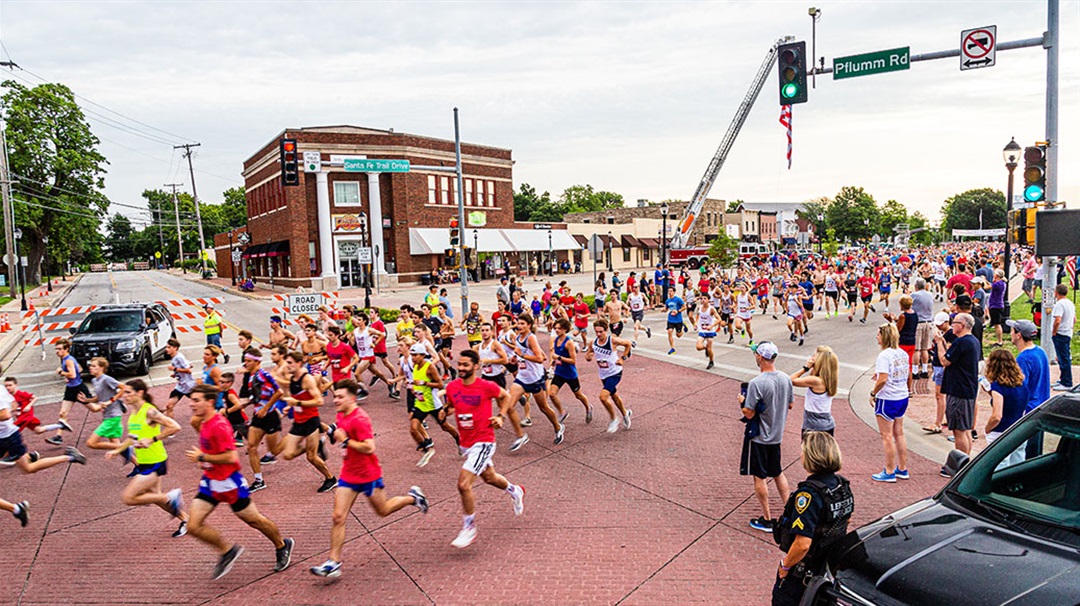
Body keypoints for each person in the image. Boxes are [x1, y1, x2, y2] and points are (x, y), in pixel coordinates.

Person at [310, 380, 429, 578]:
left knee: (384, 510)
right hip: (348, 473)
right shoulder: (341, 414)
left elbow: (369, 447)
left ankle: (413, 498)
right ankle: (333, 563)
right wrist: (330, 435)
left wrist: (345, 440)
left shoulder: (361, 419)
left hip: (368, 474)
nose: (335, 400)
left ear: (352, 398)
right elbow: (339, 432)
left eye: (340, 397)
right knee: (338, 516)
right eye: (335, 396)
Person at [184, 384, 293, 580]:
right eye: (191, 400)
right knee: (193, 526)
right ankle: (227, 551)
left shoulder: (219, 425)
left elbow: (231, 458)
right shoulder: (200, 421)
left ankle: (282, 545)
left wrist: (203, 457)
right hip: (210, 482)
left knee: (254, 520)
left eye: (196, 400)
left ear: (209, 402)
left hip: (230, 483)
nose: (191, 404)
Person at [442, 349, 525, 549]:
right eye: (459, 364)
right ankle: (515, 491)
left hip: (484, 440)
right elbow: (452, 406)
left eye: (465, 365)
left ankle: (469, 527)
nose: (461, 368)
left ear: (476, 366)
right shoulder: (452, 387)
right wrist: (444, 412)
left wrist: (500, 416)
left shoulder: (487, 386)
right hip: (467, 442)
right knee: (489, 477)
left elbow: (505, 397)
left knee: (463, 484)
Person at [772, 431, 854, 606]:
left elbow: (802, 544)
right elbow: (846, 521)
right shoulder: (842, 486)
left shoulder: (808, 495)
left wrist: (785, 566)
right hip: (826, 570)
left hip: (803, 574)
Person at [104, 379, 188, 537]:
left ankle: (170, 496)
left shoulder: (149, 411)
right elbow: (132, 437)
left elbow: (175, 426)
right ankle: (185, 518)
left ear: (140, 393)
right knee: (155, 498)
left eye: (128, 392)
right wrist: (118, 450)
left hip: (155, 461)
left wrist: (153, 439)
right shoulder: (134, 414)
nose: (124, 395)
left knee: (128, 497)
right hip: (144, 461)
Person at [739, 341, 792, 532]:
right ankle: (790, 511)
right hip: (777, 434)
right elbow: (790, 405)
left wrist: (742, 402)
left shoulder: (757, 383)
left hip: (760, 436)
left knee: (759, 476)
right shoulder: (786, 379)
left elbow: (749, 413)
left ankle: (767, 518)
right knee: (777, 472)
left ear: (760, 357)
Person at [276, 352, 337, 493]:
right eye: (287, 363)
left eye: (290, 363)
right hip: (298, 422)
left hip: (311, 420)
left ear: (299, 363)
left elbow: (319, 401)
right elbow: (294, 394)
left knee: (311, 457)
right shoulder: (292, 378)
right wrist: (290, 406)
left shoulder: (307, 379)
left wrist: (296, 402)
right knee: (288, 454)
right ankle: (318, 444)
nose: (287, 366)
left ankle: (331, 478)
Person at [0, 383, 86, 472]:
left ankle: (71, 457)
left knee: (29, 468)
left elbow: (5, 415)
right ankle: (30, 456)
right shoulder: (2, 388)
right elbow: (14, 404)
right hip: (6, 434)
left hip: (7, 437)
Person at [508, 313, 564, 445]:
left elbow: (540, 359)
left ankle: (558, 427)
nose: (520, 326)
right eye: (518, 323)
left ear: (529, 325)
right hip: (522, 377)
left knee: (543, 408)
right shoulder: (517, 337)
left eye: (523, 324)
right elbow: (538, 355)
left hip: (535, 378)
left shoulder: (531, 338)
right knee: (509, 405)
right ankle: (520, 436)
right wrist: (516, 358)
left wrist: (522, 355)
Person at [936, 312, 980, 469]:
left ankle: (959, 466)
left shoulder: (961, 342)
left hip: (958, 390)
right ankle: (965, 462)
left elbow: (944, 361)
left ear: (961, 325)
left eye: (954, 322)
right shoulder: (973, 341)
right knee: (966, 429)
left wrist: (939, 343)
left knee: (958, 430)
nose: (952, 325)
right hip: (968, 389)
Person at [869, 323, 911, 482]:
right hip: (901, 396)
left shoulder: (884, 356)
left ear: (884, 336)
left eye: (879, 334)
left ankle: (889, 470)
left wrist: (873, 392)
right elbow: (905, 374)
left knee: (886, 435)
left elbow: (883, 379)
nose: (877, 337)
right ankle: (902, 467)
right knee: (899, 433)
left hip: (888, 398)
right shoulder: (902, 353)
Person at [1006, 319, 1051, 458]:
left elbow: (1020, 388)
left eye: (1013, 330)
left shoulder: (1023, 359)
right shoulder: (1040, 351)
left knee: (1024, 454)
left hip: (1028, 411)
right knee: (1035, 452)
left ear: (1019, 335)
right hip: (1042, 406)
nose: (1010, 333)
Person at [243, 348, 284, 493]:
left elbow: (279, 392)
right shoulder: (251, 376)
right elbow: (258, 395)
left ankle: (296, 440)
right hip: (257, 416)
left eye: (248, 361)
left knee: (273, 451)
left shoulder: (264, 374)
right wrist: (247, 403)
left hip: (270, 416)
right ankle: (258, 480)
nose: (245, 363)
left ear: (257, 361)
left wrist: (265, 408)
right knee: (251, 447)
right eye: (245, 360)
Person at [983, 349, 1029, 469]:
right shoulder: (1022, 383)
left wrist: (987, 428)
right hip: (1018, 427)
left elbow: (997, 416)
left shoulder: (997, 386)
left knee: (999, 465)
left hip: (1001, 431)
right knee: (1017, 463)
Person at [586, 319, 632, 433]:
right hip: (604, 375)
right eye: (596, 332)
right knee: (614, 396)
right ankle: (626, 414)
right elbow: (590, 351)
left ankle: (613, 419)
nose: (598, 334)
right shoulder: (593, 342)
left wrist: (623, 358)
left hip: (615, 372)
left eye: (601, 332)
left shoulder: (612, 340)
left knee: (603, 397)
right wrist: (588, 356)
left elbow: (628, 344)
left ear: (606, 330)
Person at [1, 377, 70, 454]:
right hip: (21, 417)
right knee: (38, 430)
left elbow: (34, 398)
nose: (8, 388)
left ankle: (11, 454)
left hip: (25, 417)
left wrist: (29, 405)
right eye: (6, 386)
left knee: (11, 432)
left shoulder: (21, 394)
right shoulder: (8, 396)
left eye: (10, 385)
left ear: (16, 385)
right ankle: (60, 425)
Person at [548, 318, 592, 424]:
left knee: (578, 395)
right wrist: (554, 362)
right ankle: (562, 412)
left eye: (559, 328)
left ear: (565, 329)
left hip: (570, 374)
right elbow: (557, 356)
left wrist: (559, 358)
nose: (557, 330)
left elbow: (573, 360)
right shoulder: (555, 340)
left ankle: (588, 408)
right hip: (559, 373)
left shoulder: (569, 343)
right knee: (552, 394)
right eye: (556, 328)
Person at [77, 358, 125, 454]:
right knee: (115, 444)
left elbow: (123, 387)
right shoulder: (95, 380)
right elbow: (99, 397)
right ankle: (137, 463)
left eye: (94, 366)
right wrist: (87, 400)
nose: (90, 368)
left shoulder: (106, 379)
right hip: (107, 416)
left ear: (102, 368)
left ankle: (128, 446)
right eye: (90, 366)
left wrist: (110, 401)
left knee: (91, 443)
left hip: (113, 415)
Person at [46, 339, 88, 446]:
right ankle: (58, 437)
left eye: (60, 349)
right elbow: (79, 369)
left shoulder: (68, 360)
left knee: (94, 408)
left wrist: (62, 372)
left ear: (66, 349)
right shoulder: (67, 359)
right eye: (56, 349)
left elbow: (73, 374)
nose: (57, 351)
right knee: (62, 413)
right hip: (70, 388)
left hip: (78, 388)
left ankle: (113, 404)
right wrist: (69, 377)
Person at [789, 347, 837, 435]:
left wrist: (806, 368)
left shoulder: (815, 381)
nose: (810, 359)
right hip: (827, 424)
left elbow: (790, 380)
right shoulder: (830, 379)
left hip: (813, 426)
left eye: (813, 356)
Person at [1051, 283, 1075, 391]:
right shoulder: (1070, 303)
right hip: (1067, 332)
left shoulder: (1059, 304)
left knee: (1063, 359)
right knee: (1063, 357)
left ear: (1057, 293)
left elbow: (1057, 320)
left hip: (1060, 333)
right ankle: (1063, 379)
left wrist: (1054, 332)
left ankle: (1067, 382)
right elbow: (1074, 319)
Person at [164, 339, 196, 417]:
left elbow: (188, 370)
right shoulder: (175, 357)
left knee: (200, 405)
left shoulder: (179, 357)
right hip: (180, 387)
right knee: (169, 406)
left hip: (189, 386)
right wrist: (175, 374)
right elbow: (190, 365)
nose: (166, 349)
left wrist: (174, 369)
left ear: (175, 348)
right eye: (166, 347)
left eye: (169, 347)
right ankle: (171, 425)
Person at [694, 293, 721, 369]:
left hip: (710, 331)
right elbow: (698, 315)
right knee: (698, 347)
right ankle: (705, 348)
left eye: (705, 298)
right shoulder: (699, 307)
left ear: (708, 300)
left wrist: (712, 326)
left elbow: (719, 319)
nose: (703, 300)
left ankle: (711, 361)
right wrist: (696, 323)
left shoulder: (711, 309)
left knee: (710, 349)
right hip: (702, 330)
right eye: (702, 298)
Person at [987, 269, 1007, 347]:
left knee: (997, 324)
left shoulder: (998, 284)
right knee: (996, 324)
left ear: (997, 275)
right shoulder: (1001, 283)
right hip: (997, 305)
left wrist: (983, 280)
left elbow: (986, 287)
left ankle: (999, 341)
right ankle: (999, 340)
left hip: (996, 306)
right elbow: (991, 285)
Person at [665, 290, 686, 355]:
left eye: (671, 291)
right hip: (670, 319)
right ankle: (672, 348)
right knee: (669, 331)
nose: (669, 293)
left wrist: (678, 311)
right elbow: (666, 308)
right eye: (669, 291)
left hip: (678, 320)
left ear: (674, 292)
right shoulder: (667, 301)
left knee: (678, 335)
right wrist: (664, 310)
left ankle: (683, 326)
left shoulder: (678, 299)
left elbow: (684, 307)